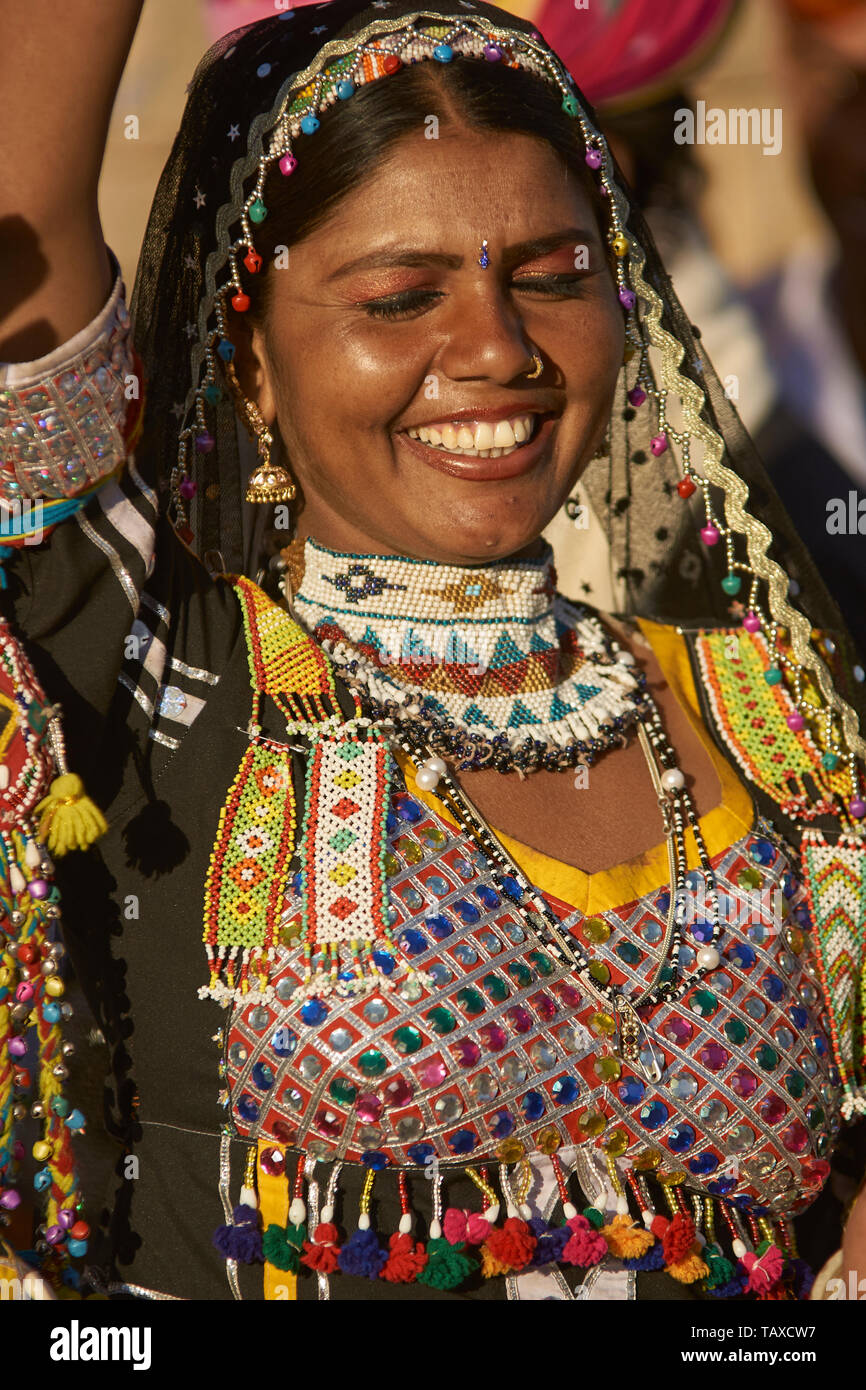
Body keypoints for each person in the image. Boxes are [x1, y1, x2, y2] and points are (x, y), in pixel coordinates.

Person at [0, 0, 865, 1304]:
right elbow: (20, 216)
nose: (495, 348)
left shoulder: (768, 715)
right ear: (249, 363)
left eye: (553, 276)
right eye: (401, 297)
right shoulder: (152, 673)